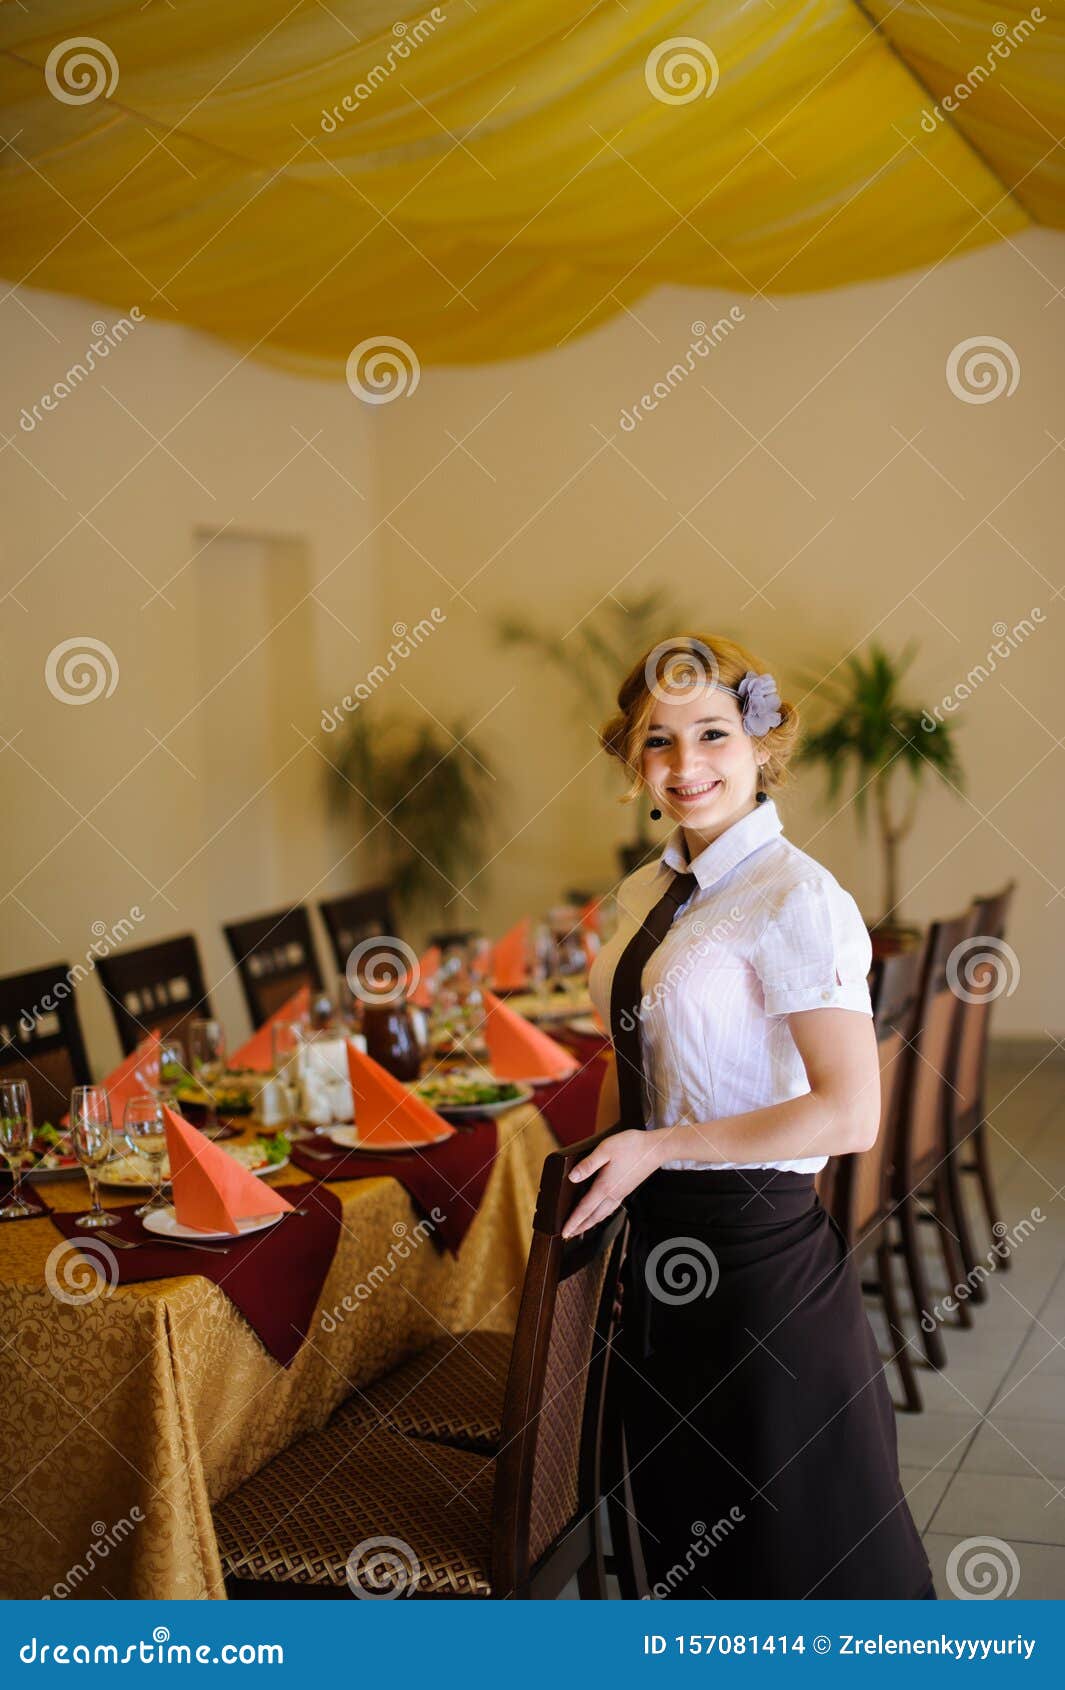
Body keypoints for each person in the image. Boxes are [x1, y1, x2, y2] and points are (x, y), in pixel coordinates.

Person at [564, 633, 936, 1601]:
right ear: (632, 760)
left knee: (798, 1578)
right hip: (660, 1273)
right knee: (694, 1569)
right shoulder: (648, 890)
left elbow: (850, 1114)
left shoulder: (796, 897)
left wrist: (656, 1148)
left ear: (761, 744)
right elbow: (633, 1059)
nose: (684, 764)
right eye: (657, 740)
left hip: (758, 1278)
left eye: (712, 733)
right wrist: (603, 1172)